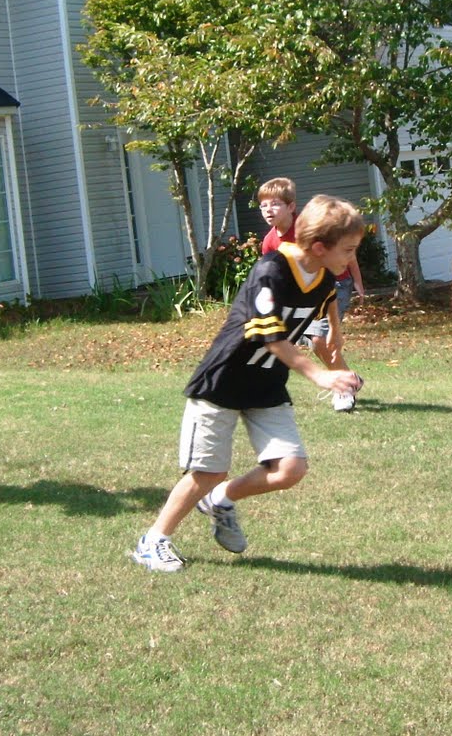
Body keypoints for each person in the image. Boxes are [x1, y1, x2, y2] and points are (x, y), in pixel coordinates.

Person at [133, 195, 365, 573]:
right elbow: (273, 338)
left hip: (266, 385)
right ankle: (153, 541)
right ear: (320, 247)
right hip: (222, 382)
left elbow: (322, 310)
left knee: (291, 469)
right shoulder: (271, 270)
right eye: (349, 250)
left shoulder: (324, 281)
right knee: (207, 472)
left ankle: (221, 500)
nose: (352, 258)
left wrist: (336, 336)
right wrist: (320, 375)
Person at [260, 175, 361, 412]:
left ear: (291, 207)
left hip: (336, 285)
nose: (268, 210)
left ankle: (344, 389)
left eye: (275, 204)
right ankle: (349, 380)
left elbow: (347, 252)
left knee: (319, 341)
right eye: (263, 205)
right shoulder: (269, 242)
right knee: (305, 342)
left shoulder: (308, 231)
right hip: (302, 296)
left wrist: (357, 280)